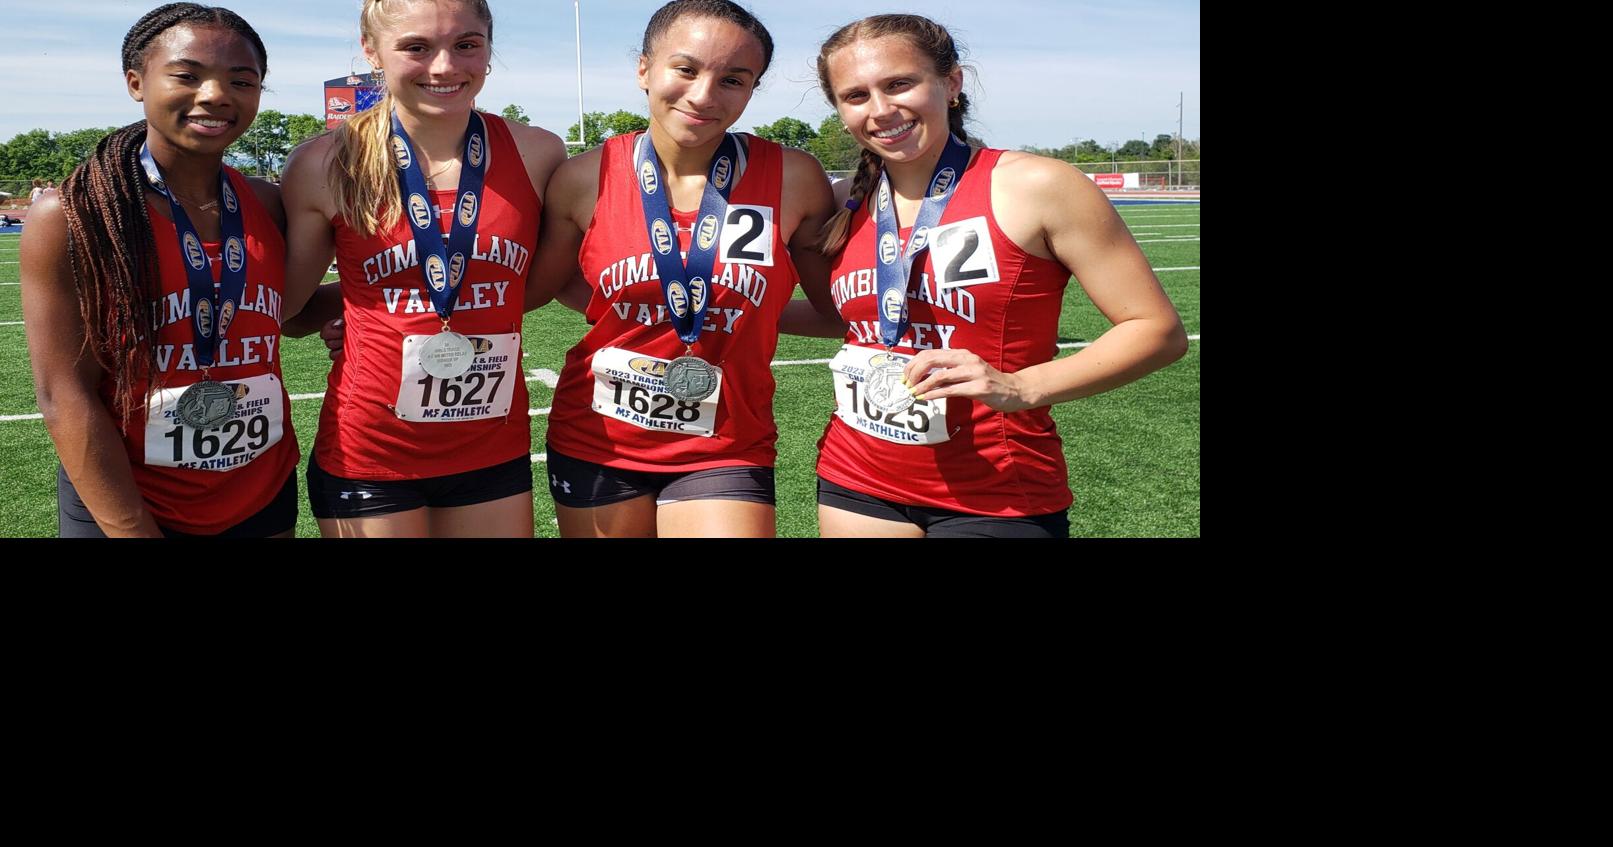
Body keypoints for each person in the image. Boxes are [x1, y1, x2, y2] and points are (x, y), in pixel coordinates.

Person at [808, 14, 1188, 537]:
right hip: (857, 480)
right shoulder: (843, 200)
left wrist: (1020, 386)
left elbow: (1156, 330)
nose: (880, 110)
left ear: (952, 83)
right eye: (856, 95)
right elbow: (847, 319)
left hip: (996, 493)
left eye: (900, 84)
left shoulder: (1037, 185)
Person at [522, 0, 839, 539]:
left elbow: (837, 311)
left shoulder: (792, 177)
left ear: (753, 89)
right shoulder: (583, 177)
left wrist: (748, 313)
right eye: (686, 69)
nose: (703, 95)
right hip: (597, 436)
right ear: (645, 68)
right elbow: (536, 290)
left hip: (728, 441)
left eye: (733, 79)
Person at [280, 0, 566, 537]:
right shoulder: (324, 163)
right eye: (416, 47)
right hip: (369, 447)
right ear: (372, 50)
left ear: (488, 46)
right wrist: (363, 308)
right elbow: (287, 309)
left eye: (466, 45)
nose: (444, 67)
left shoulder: (538, 153)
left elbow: (542, 284)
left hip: (492, 446)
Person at [21, 3, 301, 537]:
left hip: (259, 488)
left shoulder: (267, 203)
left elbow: (294, 313)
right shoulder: (73, 216)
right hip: (128, 499)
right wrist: (130, 528)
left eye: (242, 80)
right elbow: (64, 394)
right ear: (136, 81)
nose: (216, 94)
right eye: (187, 75)